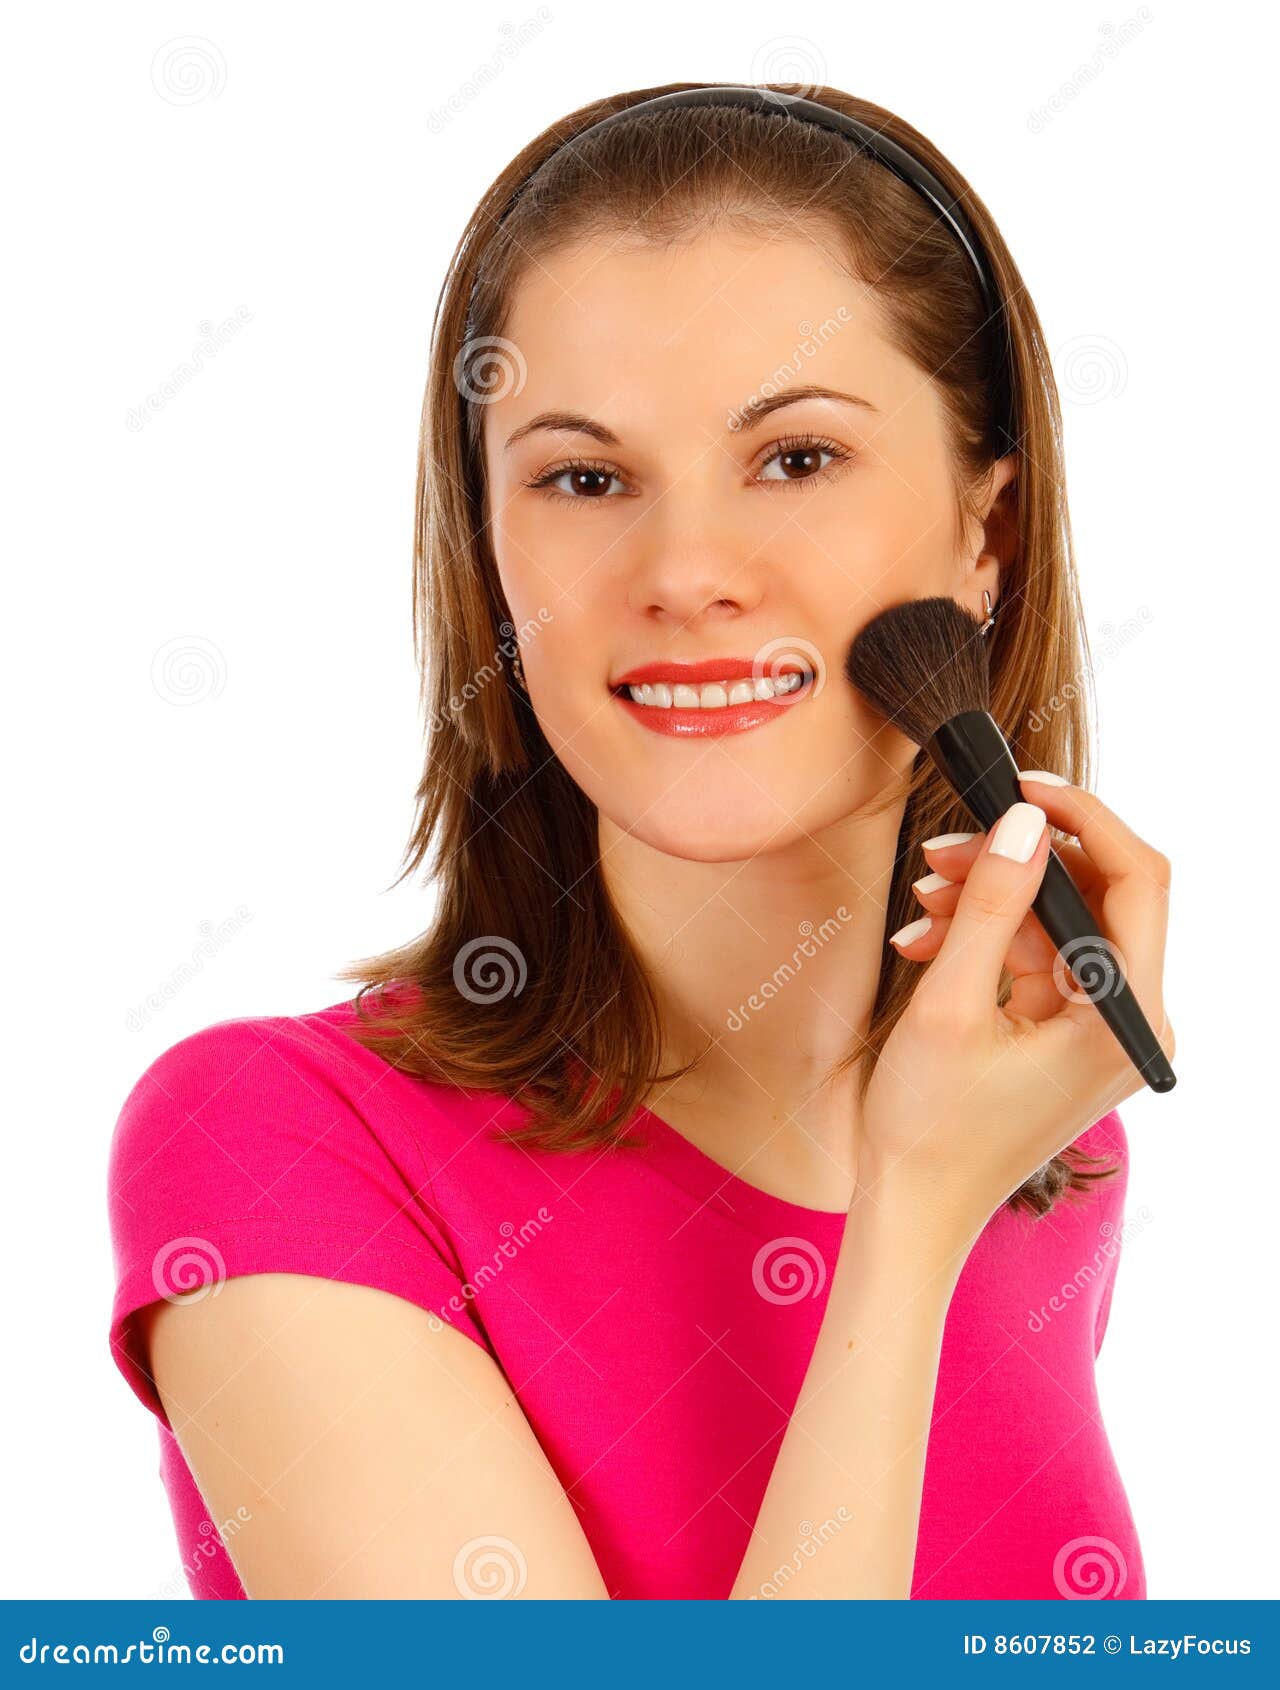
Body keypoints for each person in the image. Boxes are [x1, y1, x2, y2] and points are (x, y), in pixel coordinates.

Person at [107, 81, 1174, 1600]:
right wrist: (908, 1222)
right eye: (584, 478)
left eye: (796, 459)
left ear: (983, 535)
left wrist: (942, 1175)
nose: (684, 571)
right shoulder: (274, 1143)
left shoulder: (1041, 1141)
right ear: (490, 553)